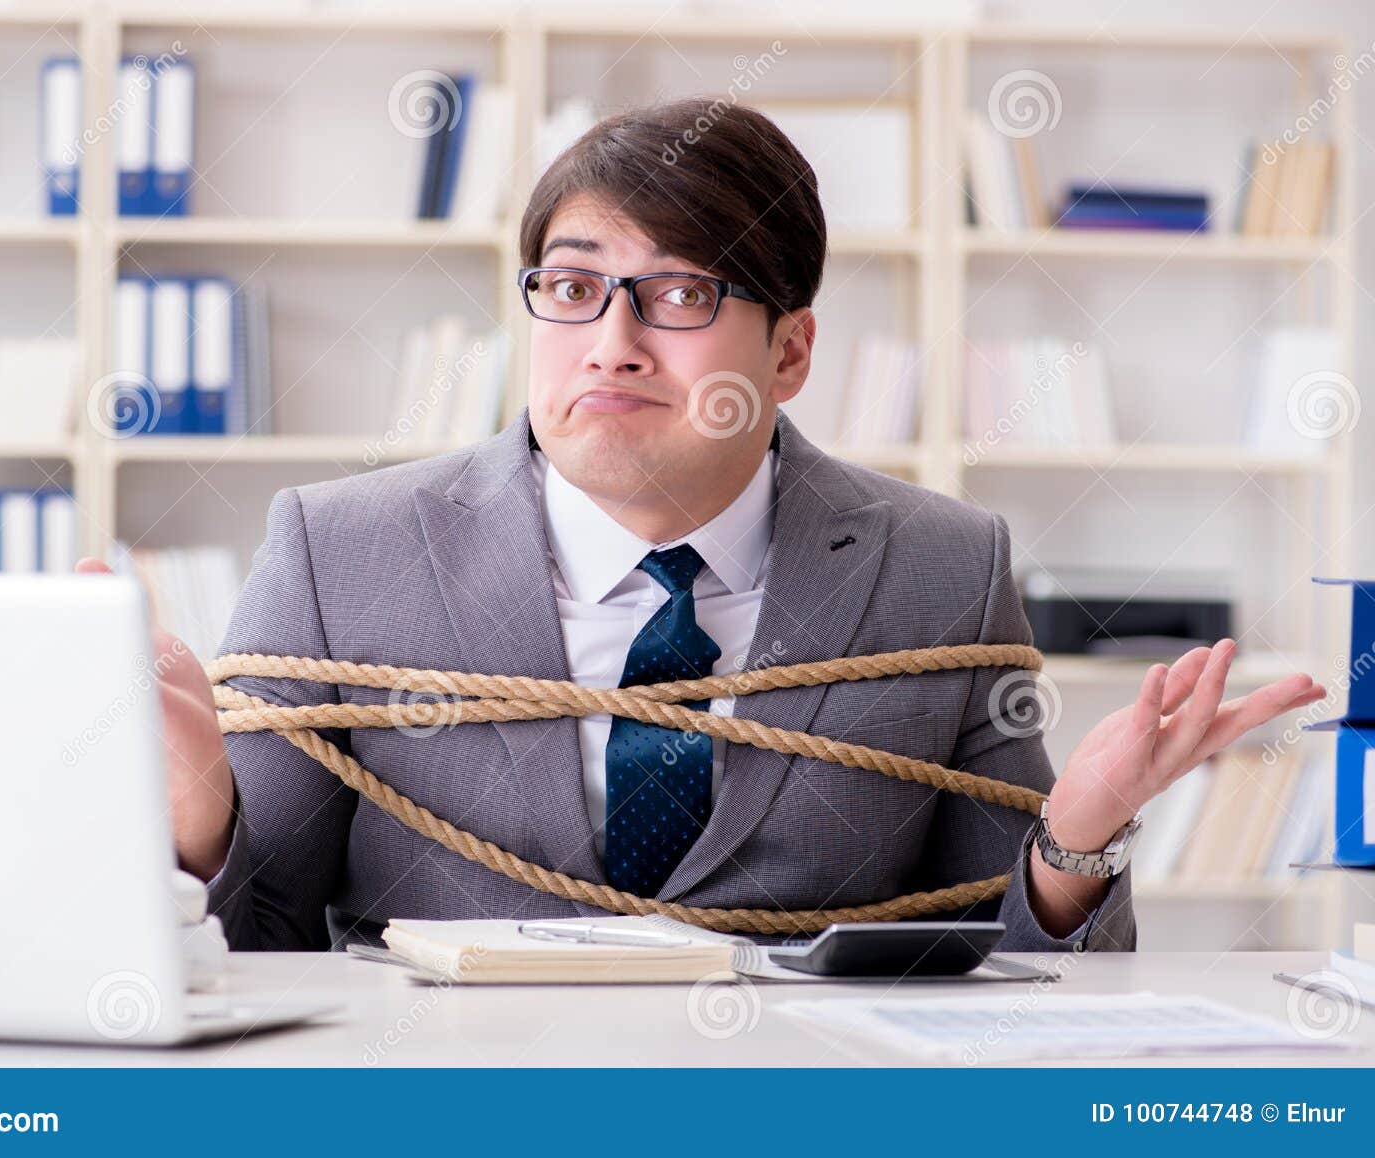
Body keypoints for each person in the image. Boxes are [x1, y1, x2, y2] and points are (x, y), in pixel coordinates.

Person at [79, 98, 1325, 952]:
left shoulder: (941, 567)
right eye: (573, 287)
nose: (611, 344)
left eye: (679, 293)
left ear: (789, 353)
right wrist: (195, 811)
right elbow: (259, 937)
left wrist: (1078, 843)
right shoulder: (340, 552)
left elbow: (1015, 968)